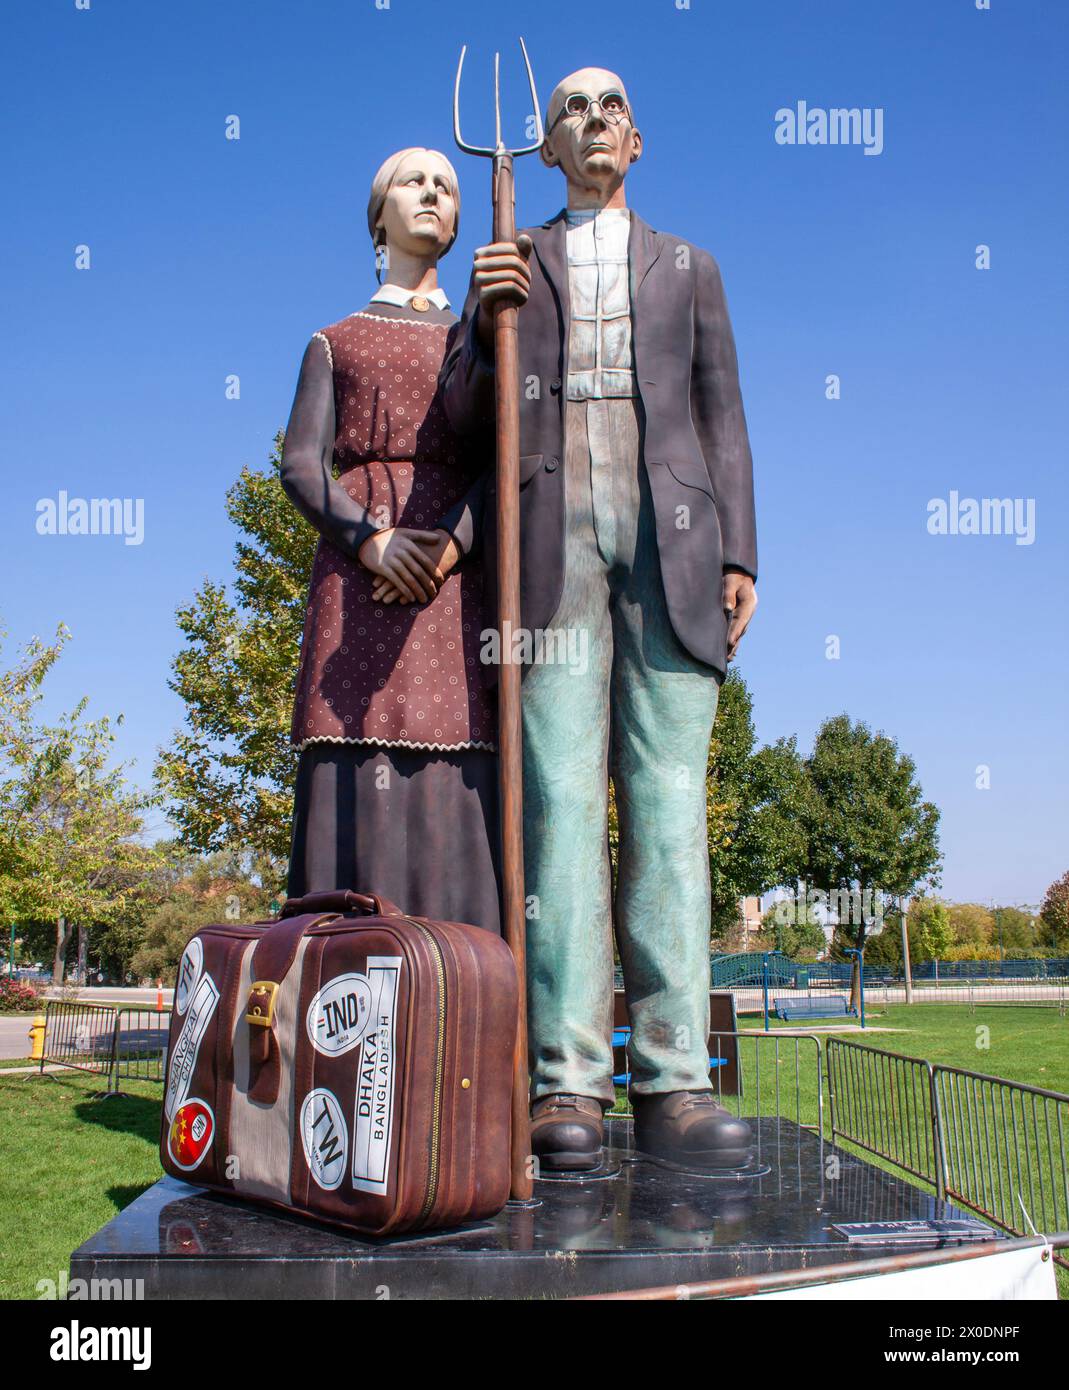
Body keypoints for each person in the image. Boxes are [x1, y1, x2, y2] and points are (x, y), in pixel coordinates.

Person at [441, 71, 759, 1167]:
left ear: (638, 137)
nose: (594, 121)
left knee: (668, 804)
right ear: (543, 144)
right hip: (547, 538)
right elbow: (456, 419)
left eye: (612, 106)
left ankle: (673, 1079)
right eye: (571, 109)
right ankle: (565, 1083)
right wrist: (483, 329)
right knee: (563, 807)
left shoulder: (690, 267)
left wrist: (737, 552)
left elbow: (724, 417)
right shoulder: (512, 260)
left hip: (669, 532)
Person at [281, 147, 500, 933]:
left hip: (460, 584)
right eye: (414, 181)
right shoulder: (331, 341)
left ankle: (467, 996)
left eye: (447, 186)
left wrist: (448, 546)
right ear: (379, 213)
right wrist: (370, 541)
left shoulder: (485, 343)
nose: (434, 194)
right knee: (352, 744)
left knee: (468, 752)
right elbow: (302, 465)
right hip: (357, 580)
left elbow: (507, 462)